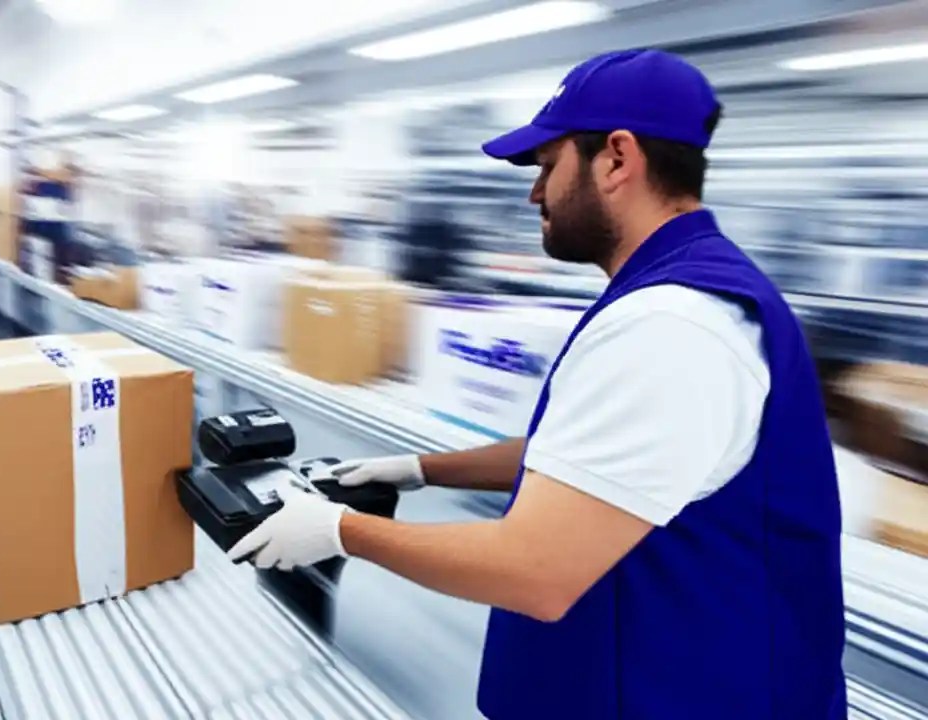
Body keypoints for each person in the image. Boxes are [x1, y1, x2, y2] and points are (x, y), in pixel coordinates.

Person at [228, 49, 847, 719]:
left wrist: (342, 531)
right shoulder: (679, 295)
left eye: (548, 167)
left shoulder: (672, 324)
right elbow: (586, 461)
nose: (533, 193)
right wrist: (419, 470)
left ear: (616, 159)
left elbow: (536, 571)